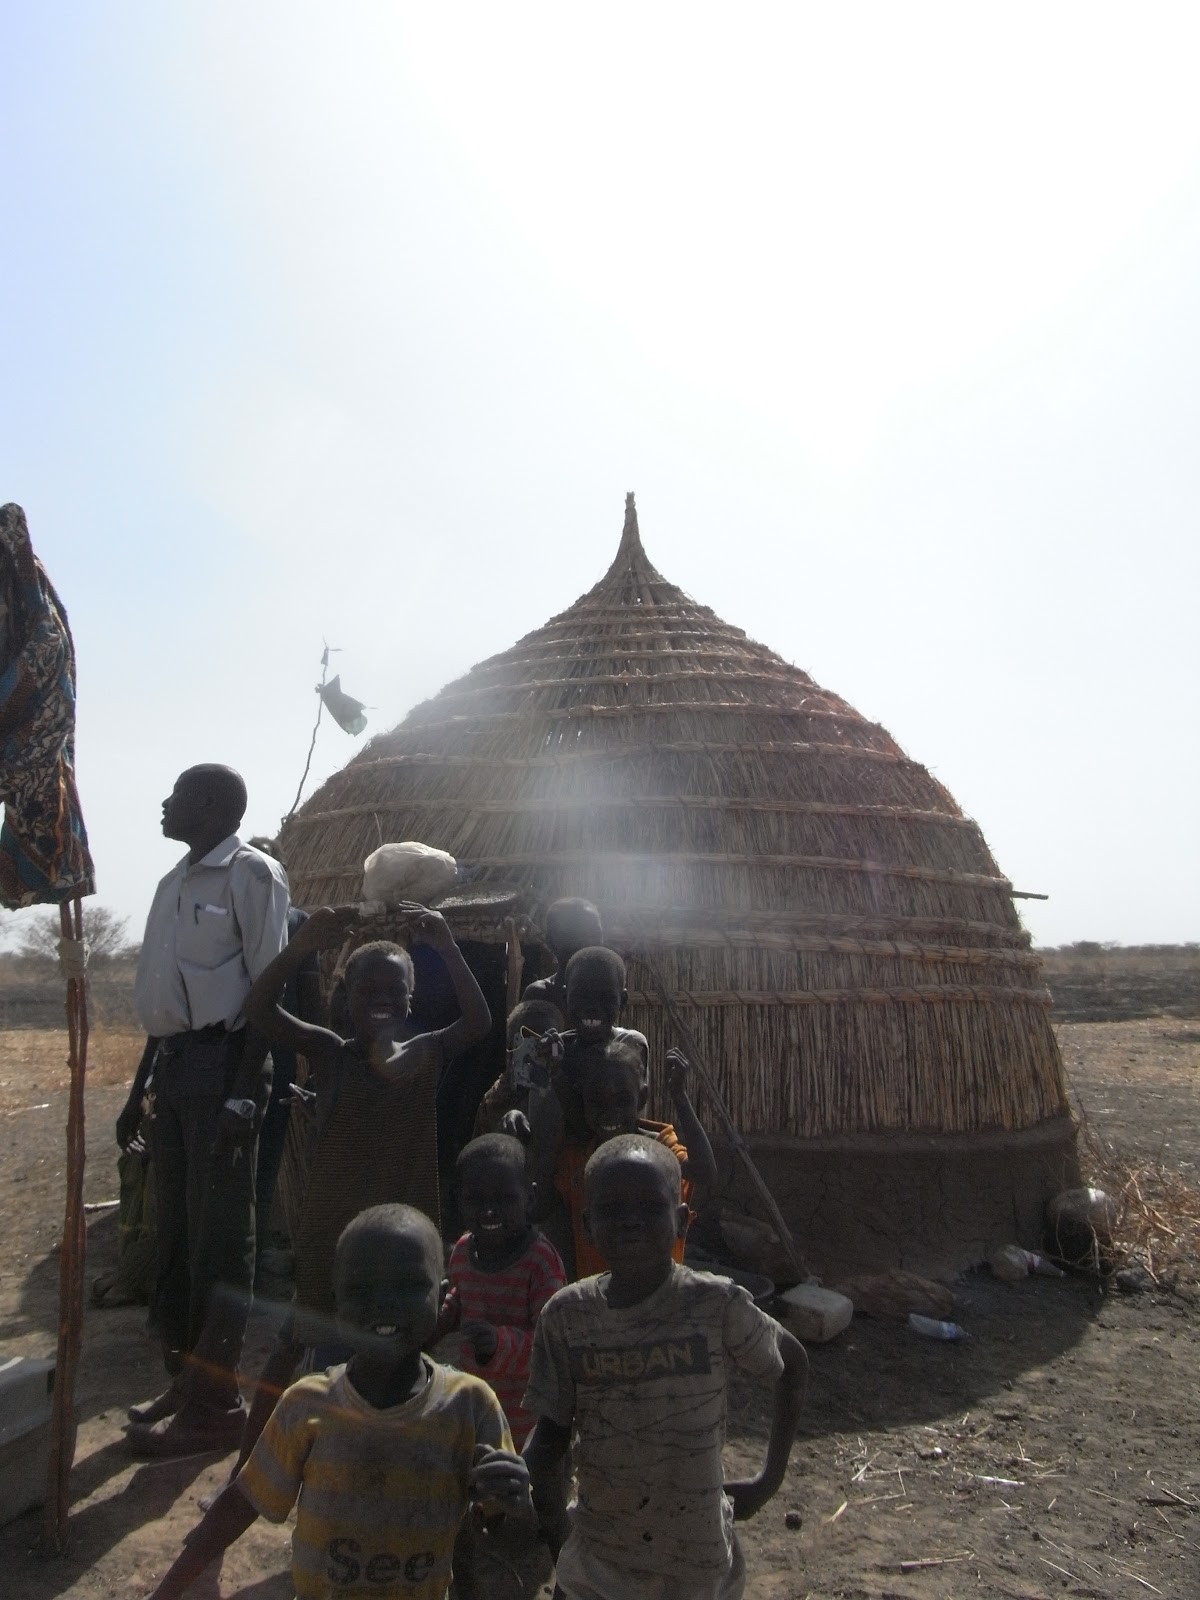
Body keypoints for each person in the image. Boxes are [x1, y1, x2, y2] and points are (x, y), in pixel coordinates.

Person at [147, 1204, 534, 1600]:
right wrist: (165, 1593)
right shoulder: (307, 1404)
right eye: (361, 1290)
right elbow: (245, 1500)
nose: (384, 1303)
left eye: (409, 1285)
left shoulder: (470, 1405)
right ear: (336, 1300)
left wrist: (518, 1502)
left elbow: (503, 1527)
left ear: (444, 1292)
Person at [232, 901, 491, 1467]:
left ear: (410, 998)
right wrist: (302, 947)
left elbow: (480, 1023)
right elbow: (258, 1008)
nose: (381, 998)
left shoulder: (426, 1053)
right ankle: (251, 1471)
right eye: (365, 988)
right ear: (344, 998)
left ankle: (376, 1470)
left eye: (393, 989)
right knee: (302, 1342)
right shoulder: (330, 1053)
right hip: (332, 1231)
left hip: (405, 1233)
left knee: (400, 1355)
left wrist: (447, 947)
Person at [524, 1136, 809, 1600]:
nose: (631, 1221)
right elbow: (553, 1430)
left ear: (680, 1220)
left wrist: (769, 1478)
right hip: (598, 1559)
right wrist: (519, 1477)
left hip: (694, 1563)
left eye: (650, 1207)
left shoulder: (713, 1304)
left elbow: (791, 1363)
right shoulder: (567, 1317)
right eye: (612, 1210)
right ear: (587, 1224)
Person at [121, 764, 290, 1457]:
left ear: (214, 806)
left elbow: (268, 993)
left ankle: (216, 1405)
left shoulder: (252, 877)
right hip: (179, 1069)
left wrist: (245, 1093)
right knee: (178, 1235)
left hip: (226, 1070)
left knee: (220, 1236)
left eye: (179, 795)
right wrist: (138, 1095)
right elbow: (165, 1006)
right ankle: (185, 1380)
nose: (165, 803)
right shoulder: (172, 882)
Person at [529, 1038, 718, 1280]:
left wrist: (679, 1097)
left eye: (622, 1100)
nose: (610, 1112)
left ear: (642, 1097)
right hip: (602, 1301)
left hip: (660, 1297)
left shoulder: (660, 1146)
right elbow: (539, 1207)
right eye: (597, 1101)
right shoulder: (578, 1158)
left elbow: (704, 1171)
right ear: (583, 1100)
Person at [439, 1133, 566, 1447]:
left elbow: (551, 1342)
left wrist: (499, 1343)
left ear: (530, 1199)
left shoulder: (540, 1262)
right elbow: (462, 1297)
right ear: (458, 1201)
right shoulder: (463, 1252)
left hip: (529, 1416)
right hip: (478, 1404)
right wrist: (442, 1313)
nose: (490, 1211)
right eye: (476, 1200)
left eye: (504, 1199)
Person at [246, 837, 323, 1285]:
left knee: (265, 1160)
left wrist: (318, 1063)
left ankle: (251, 1261)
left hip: (278, 1059)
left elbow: (311, 1006)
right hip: (228, 1057)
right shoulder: (226, 921)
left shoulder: (297, 924)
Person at [472, 997, 566, 1138]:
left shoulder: (567, 1090)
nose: (537, 1053)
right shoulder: (495, 1100)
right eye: (529, 1044)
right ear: (511, 1049)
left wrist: (557, 1069)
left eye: (546, 1045)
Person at [521, 897, 604, 1013]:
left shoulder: (607, 992)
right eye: (575, 935)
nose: (588, 943)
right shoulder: (540, 995)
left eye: (595, 934)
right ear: (550, 942)